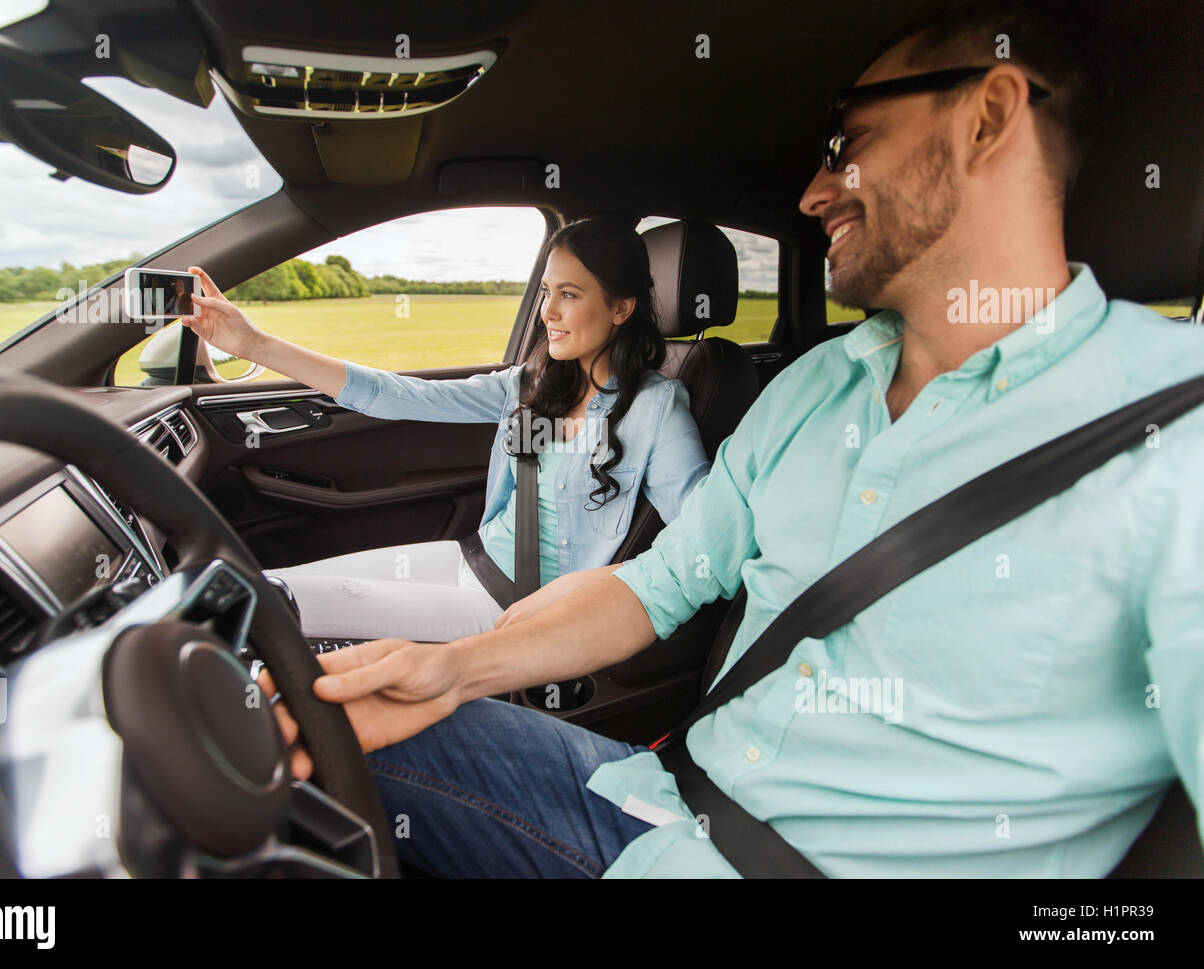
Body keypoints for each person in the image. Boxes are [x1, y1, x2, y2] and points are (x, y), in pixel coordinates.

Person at [265, 0, 1204, 877]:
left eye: (851, 144)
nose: (812, 191)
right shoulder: (814, 386)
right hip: (657, 807)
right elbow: (662, 580)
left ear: (989, 115)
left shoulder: (1176, 435)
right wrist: (453, 671)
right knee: (308, 724)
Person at [180, 217, 710, 643]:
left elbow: (702, 541)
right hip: (469, 556)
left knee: (271, 610)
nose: (547, 311)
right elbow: (403, 395)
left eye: (568, 294)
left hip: (518, 605)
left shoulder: (657, 409)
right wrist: (255, 345)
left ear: (621, 307)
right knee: (267, 584)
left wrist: (597, 589)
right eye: (545, 291)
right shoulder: (535, 379)